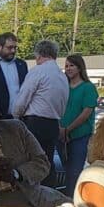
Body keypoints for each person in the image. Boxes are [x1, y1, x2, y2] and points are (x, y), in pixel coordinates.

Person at [13, 39, 69, 177]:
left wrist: (15, 116)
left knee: (32, 161)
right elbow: (63, 103)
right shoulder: (62, 76)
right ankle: (50, 190)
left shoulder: (38, 71)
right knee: (47, 161)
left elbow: (23, 98)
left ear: (38, 55)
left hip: (34, 122)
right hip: (53, 123)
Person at [59, 54, 99, 196]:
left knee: (74, 171)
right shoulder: (63, 87)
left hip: (79, 136)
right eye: (66, 66)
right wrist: (60, 130)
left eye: (72, 65)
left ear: (79, 67)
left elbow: (86, 112)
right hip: (62, 136)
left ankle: (73, 200)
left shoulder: (88, 88)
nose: (68, 69)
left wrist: (68, 129)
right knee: (64, 169)